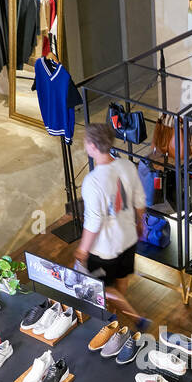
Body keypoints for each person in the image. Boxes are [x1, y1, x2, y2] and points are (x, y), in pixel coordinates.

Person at [75, 122, 150, 330]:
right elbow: (140, 200)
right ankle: (115, 315)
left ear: (92, 146)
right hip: (129, 237)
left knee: (98, 285)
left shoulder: (92, 181)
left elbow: (94, 220)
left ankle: (136, 318)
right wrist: (140, 224)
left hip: (105, 247)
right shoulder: (126, 165)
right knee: (121, 277)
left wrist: (82, 249)